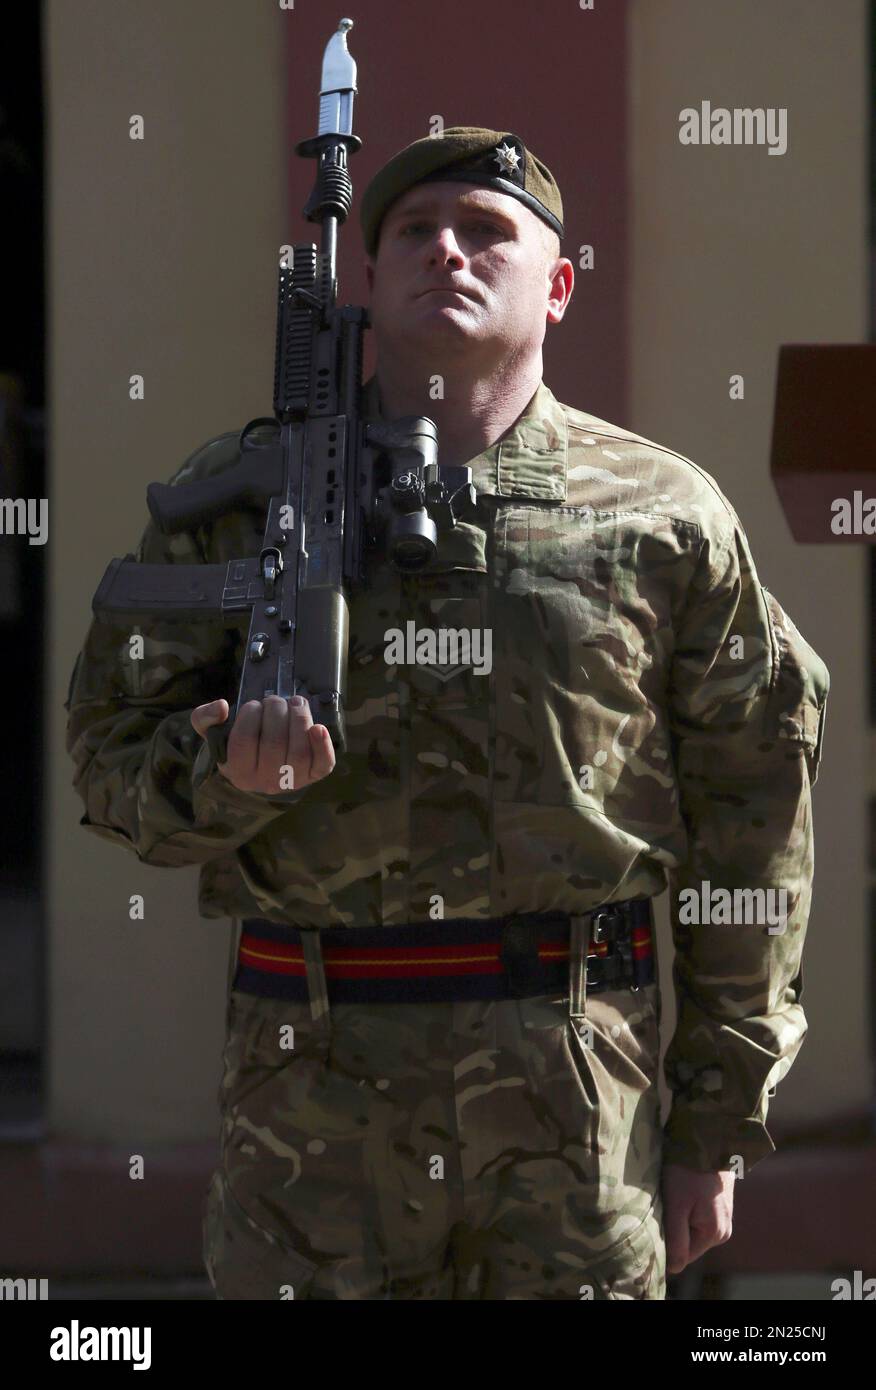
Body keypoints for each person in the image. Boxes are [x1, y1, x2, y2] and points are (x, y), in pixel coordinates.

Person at [65, 127, 830, 1300]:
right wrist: (224, 780)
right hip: (309, 1108)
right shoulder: (246, 497)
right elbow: (107, 761)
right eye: (415, 232)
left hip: (577, 1107)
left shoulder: (663, 516)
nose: (449, 253)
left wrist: (716, 1118)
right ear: (368, 279)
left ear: (559, 285)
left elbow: (754, 816)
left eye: (488, 230)